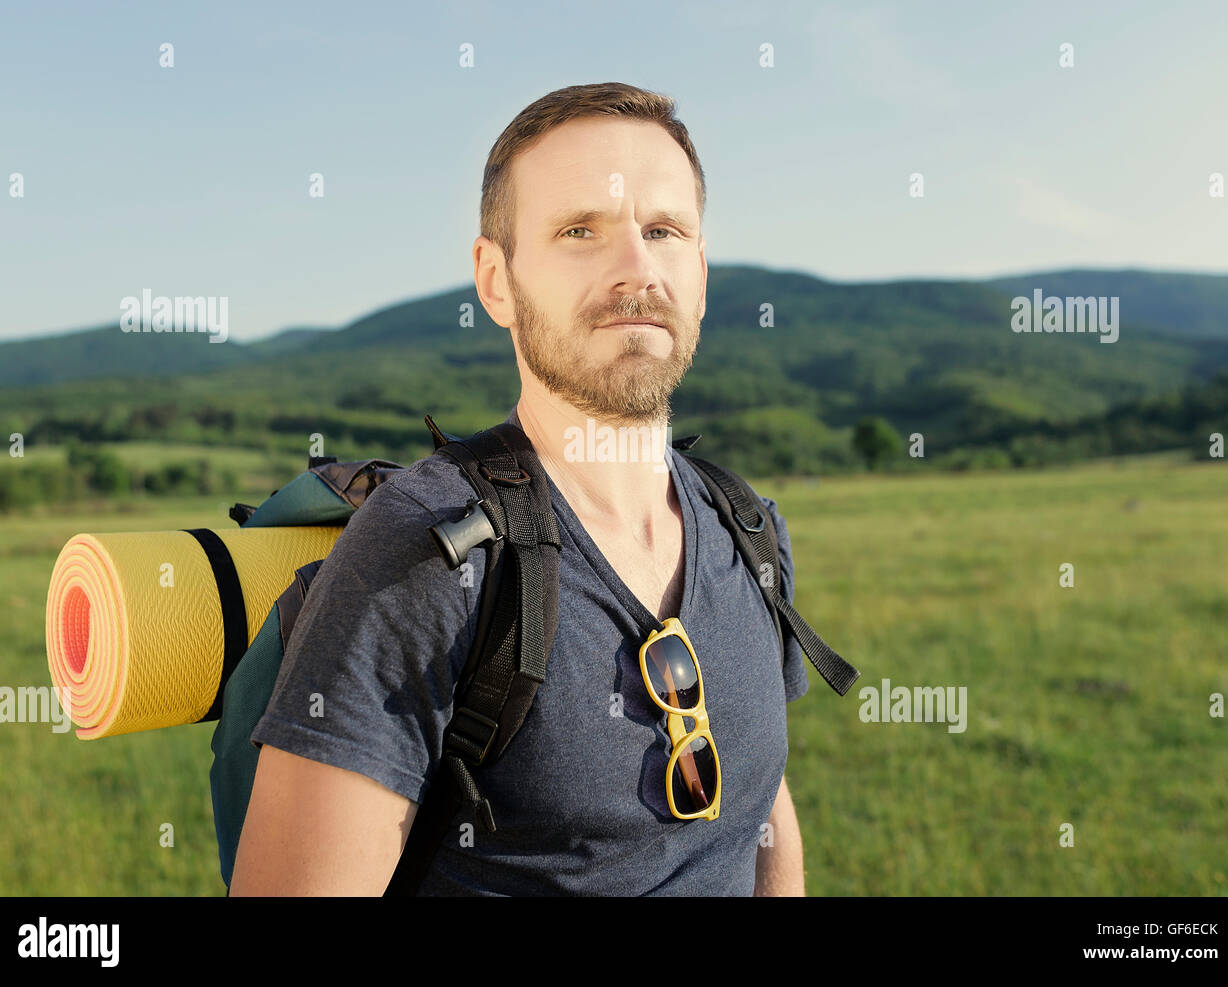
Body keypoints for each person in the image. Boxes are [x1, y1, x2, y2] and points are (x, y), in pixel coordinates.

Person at [230, 81, 810, 896]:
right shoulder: (425, 554)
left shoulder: (748, 528)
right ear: (496, 281)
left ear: (702, 275)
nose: (637, 268)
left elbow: (760, 804)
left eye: (663, 231)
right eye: (580, 230)